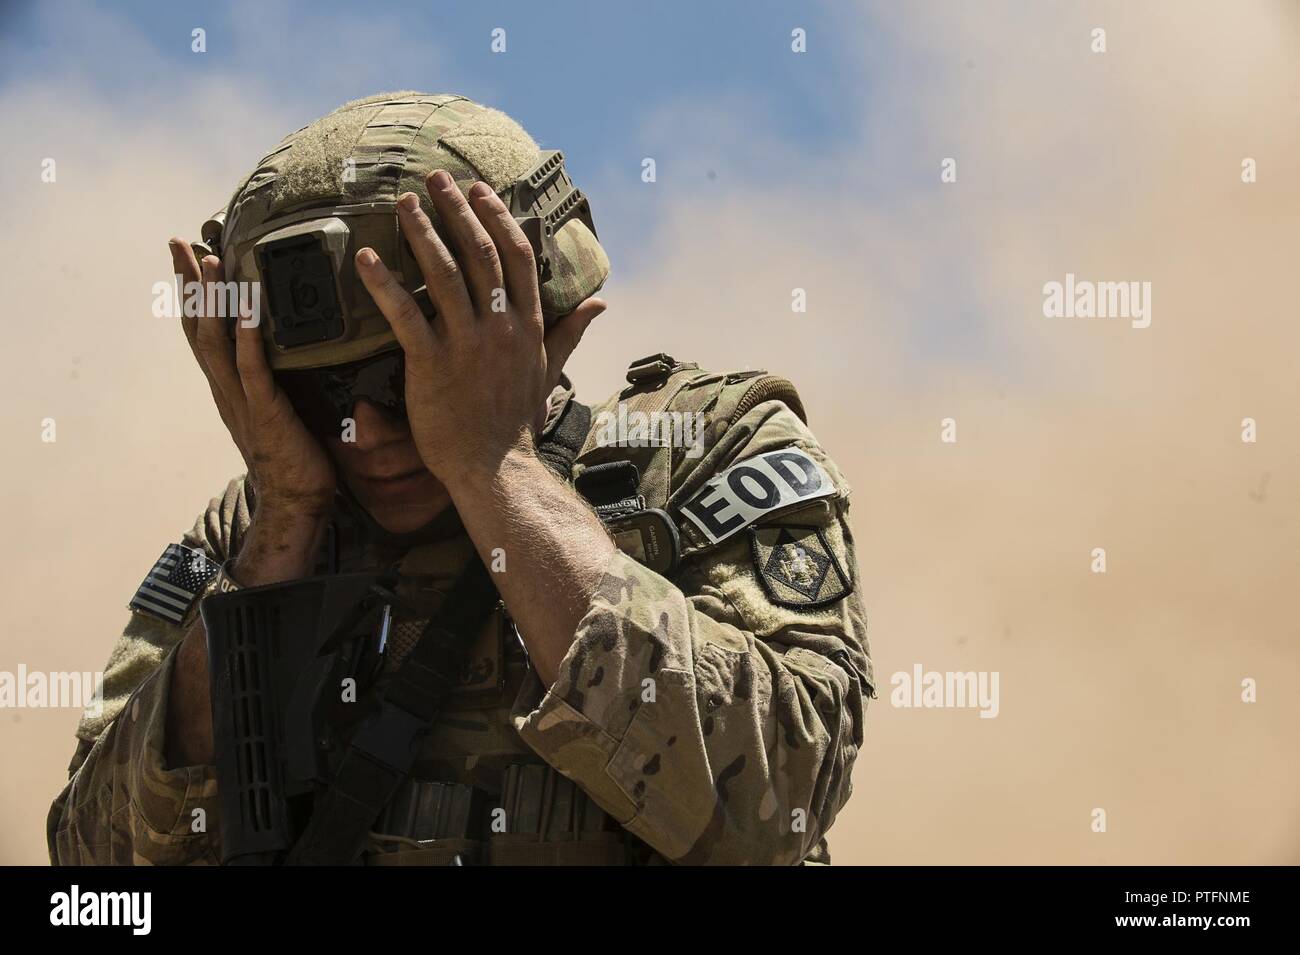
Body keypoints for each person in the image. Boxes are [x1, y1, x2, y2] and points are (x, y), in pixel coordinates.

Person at [47, 92, 874, 866]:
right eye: (319, 392)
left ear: (547, 328)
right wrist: (286, 519)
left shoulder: (698, 447)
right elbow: (95, 864)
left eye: (403, 376)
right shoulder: (252, 534)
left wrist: (497, 471)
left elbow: (780, 794)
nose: (363, 431)